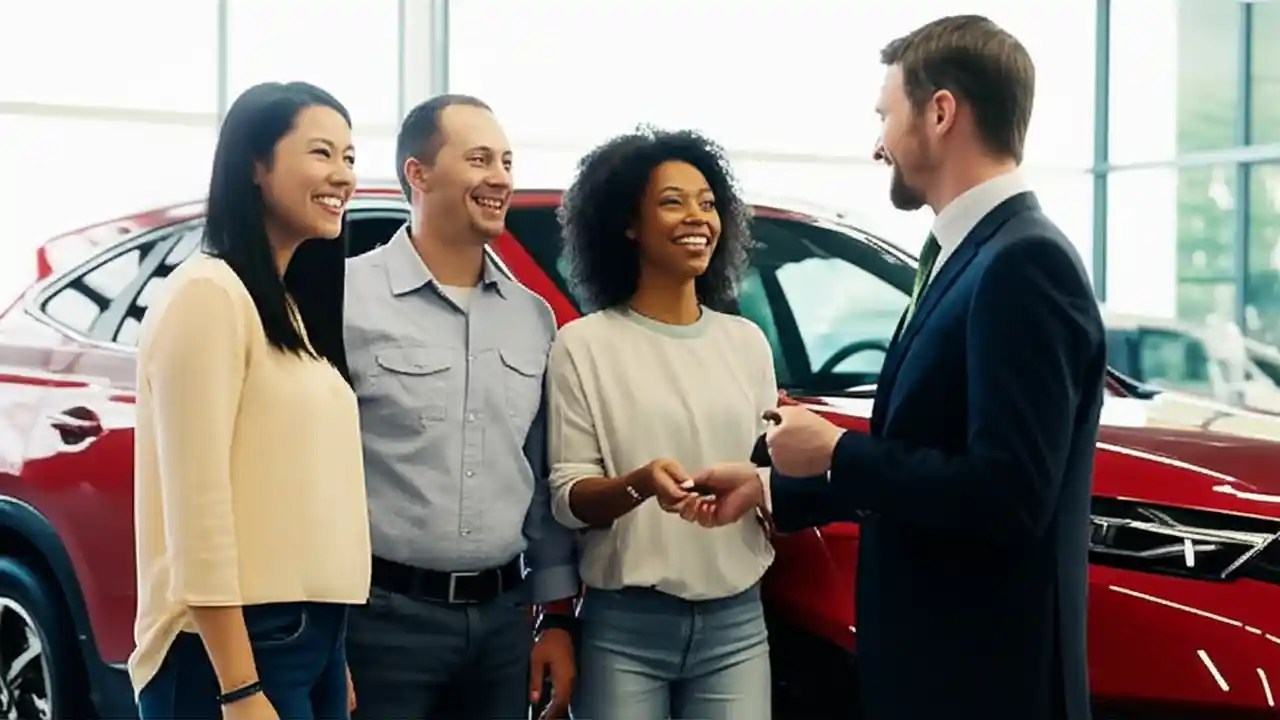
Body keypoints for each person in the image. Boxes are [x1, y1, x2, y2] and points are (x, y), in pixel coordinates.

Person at [694, 15, 1106, 720]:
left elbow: (1007, 495)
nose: (877, 145)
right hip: (945, 671)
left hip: (981, 683)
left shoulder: (1022, 262)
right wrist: (770, 486)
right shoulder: (975, 253)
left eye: (885, 116)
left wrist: (838, 450)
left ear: (940, 113)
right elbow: (931, 450)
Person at [130, 81, 369, 719]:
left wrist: (330, 655)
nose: (343, 176)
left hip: (308, 637)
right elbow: (198, 510)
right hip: (230, 648)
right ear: (255, 165)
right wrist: (238, 686)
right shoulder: (207, 295)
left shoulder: (285, 308)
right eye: (321, 153)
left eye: (350, 157)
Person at [342, 94, 579, 719]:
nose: (500, 177)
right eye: (479, 159)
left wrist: (555, 616)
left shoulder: (533, 318)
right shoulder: (347, 300)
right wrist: (321, 636)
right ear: (418, 174)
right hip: (378, 622)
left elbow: (540, 477)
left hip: (502, 625)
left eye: (506, 161)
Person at [546, 126, 776, 720]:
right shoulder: (583, 345)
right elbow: (569, 499)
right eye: (673, 202)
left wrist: (768, 483)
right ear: (629, 224)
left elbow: (767, 474)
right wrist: (641, 483)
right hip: (624, 628)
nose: (697, 217)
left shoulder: (747, 342)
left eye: (708, 203)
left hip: (737, 622)